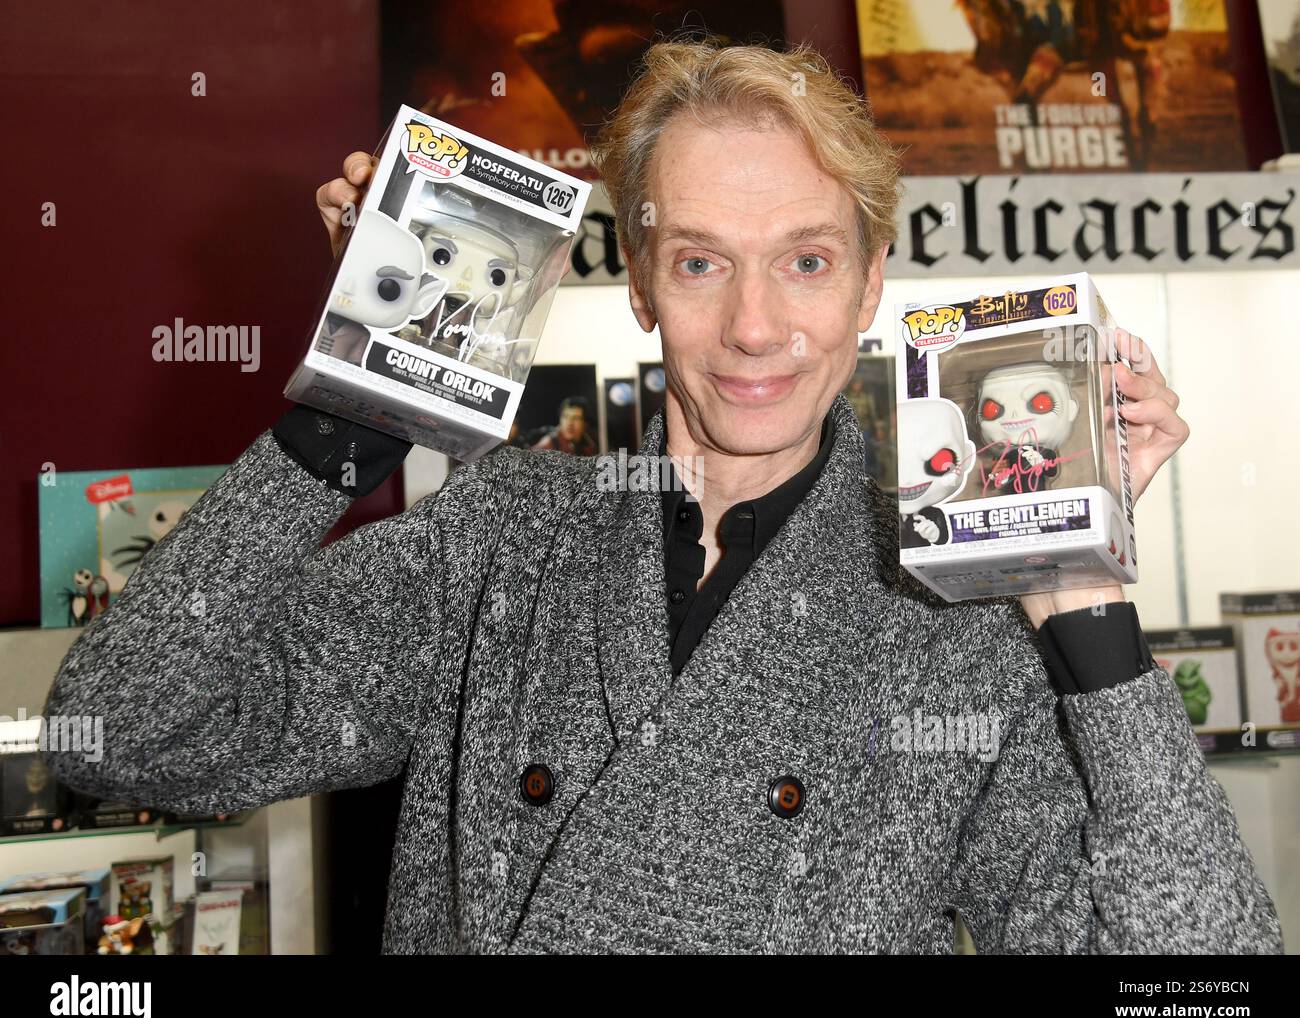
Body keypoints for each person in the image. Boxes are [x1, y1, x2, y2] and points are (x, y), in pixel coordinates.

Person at [43, 39, 1281, 954]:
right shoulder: (502, 537)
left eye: (804, 260)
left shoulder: (963, 613)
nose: (754, 328)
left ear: (867, 287)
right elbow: (123, 734)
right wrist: (349, 416)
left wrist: (1083, 601)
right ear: (638, 281)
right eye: (699, 262)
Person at [529, 396, 597, 455]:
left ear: (585, 423)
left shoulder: (589, 444)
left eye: (576, 418)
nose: (569, 423)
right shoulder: (547, 446)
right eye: (565, 417)